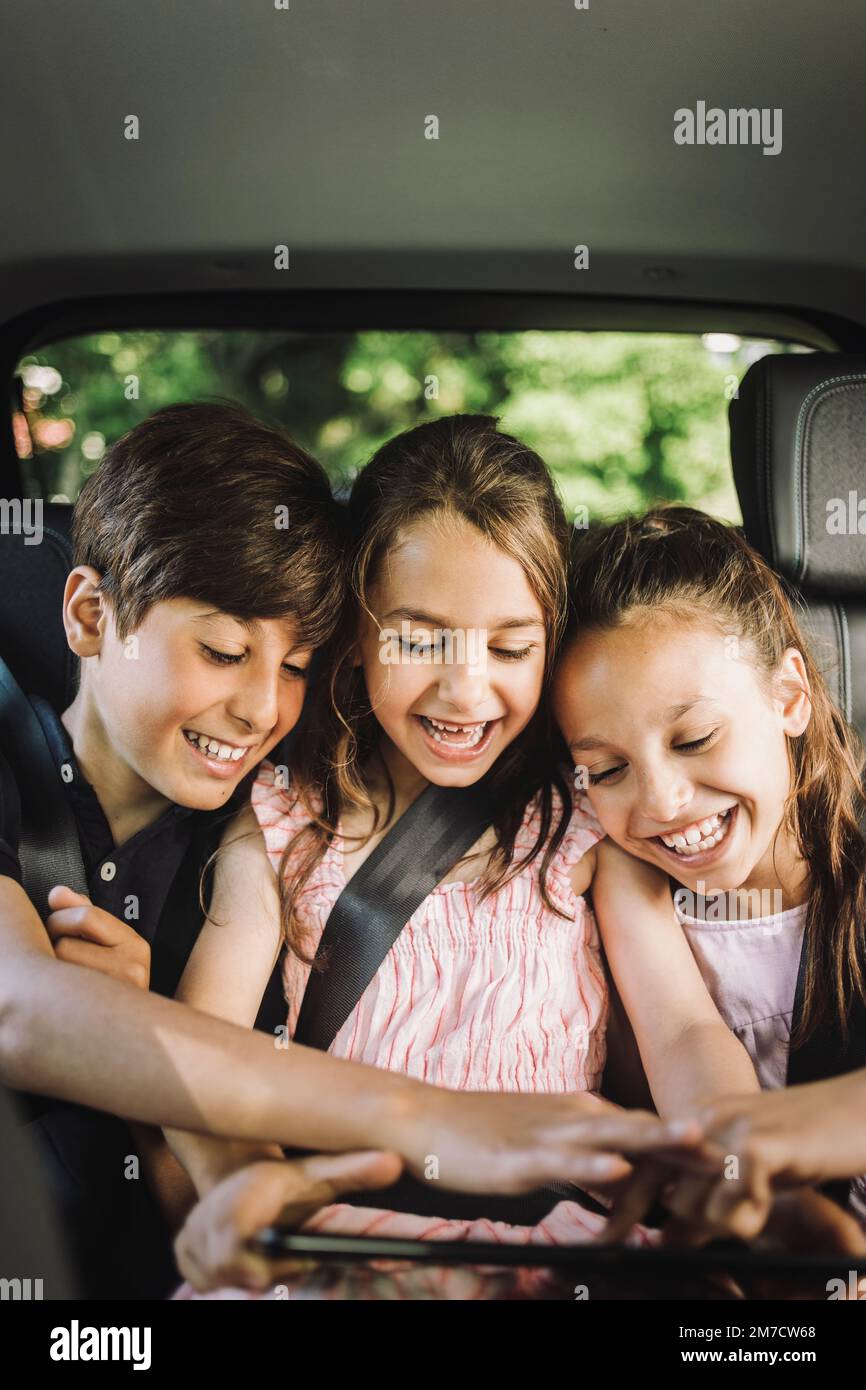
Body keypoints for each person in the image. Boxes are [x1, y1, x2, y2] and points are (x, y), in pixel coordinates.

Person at [0, 403, 697, 1299]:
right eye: (221, 651)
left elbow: (222, 1160)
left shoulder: (226, 817)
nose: (260, 711)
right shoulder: (263, 820)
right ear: (92, 615)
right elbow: (26, 1011)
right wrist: (428, 1122)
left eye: (295, 666)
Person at [167, 417, 757, 1300]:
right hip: (350, 1238)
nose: (465, 688)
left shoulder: (583, 820)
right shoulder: (287, 818)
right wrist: (260, 1190)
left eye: (511, 648)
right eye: (416, 637)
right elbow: (198, 1046)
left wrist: (735, 1163)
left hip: (557, 1242)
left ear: (549, 643)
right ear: (356, 630)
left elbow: (681, 1028)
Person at [553, 505, 866, 1251]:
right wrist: (742, 1183)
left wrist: (784, 1136)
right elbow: (683, 1032)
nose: (662, 801)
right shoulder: (629, 874)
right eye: (607, 769)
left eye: (695, 738)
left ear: (789, 697)